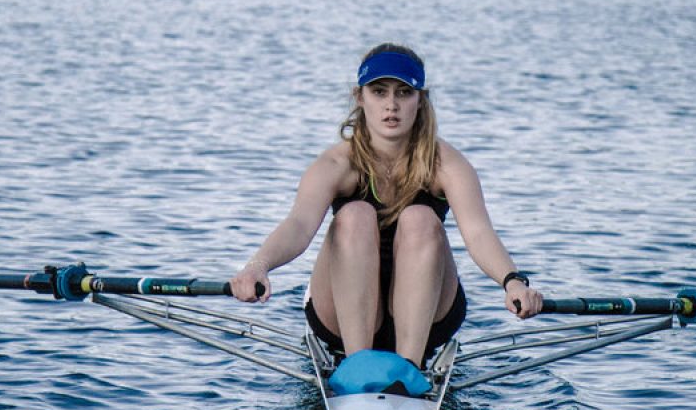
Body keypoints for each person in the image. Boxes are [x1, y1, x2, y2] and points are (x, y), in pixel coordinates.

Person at [229, 44, 544, 390]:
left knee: (421, 218)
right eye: (379, 92)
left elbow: (479, 233)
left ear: (420, 101)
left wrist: (513, 281)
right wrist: (257, 266)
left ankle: (408, 374)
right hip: (343, 313)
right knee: (355, 215)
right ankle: (358, 368)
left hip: (428, 313)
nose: (391, 105)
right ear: (360, 98)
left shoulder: (447, 165)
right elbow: (299, 225)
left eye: (404, 92)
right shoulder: (335, 165)